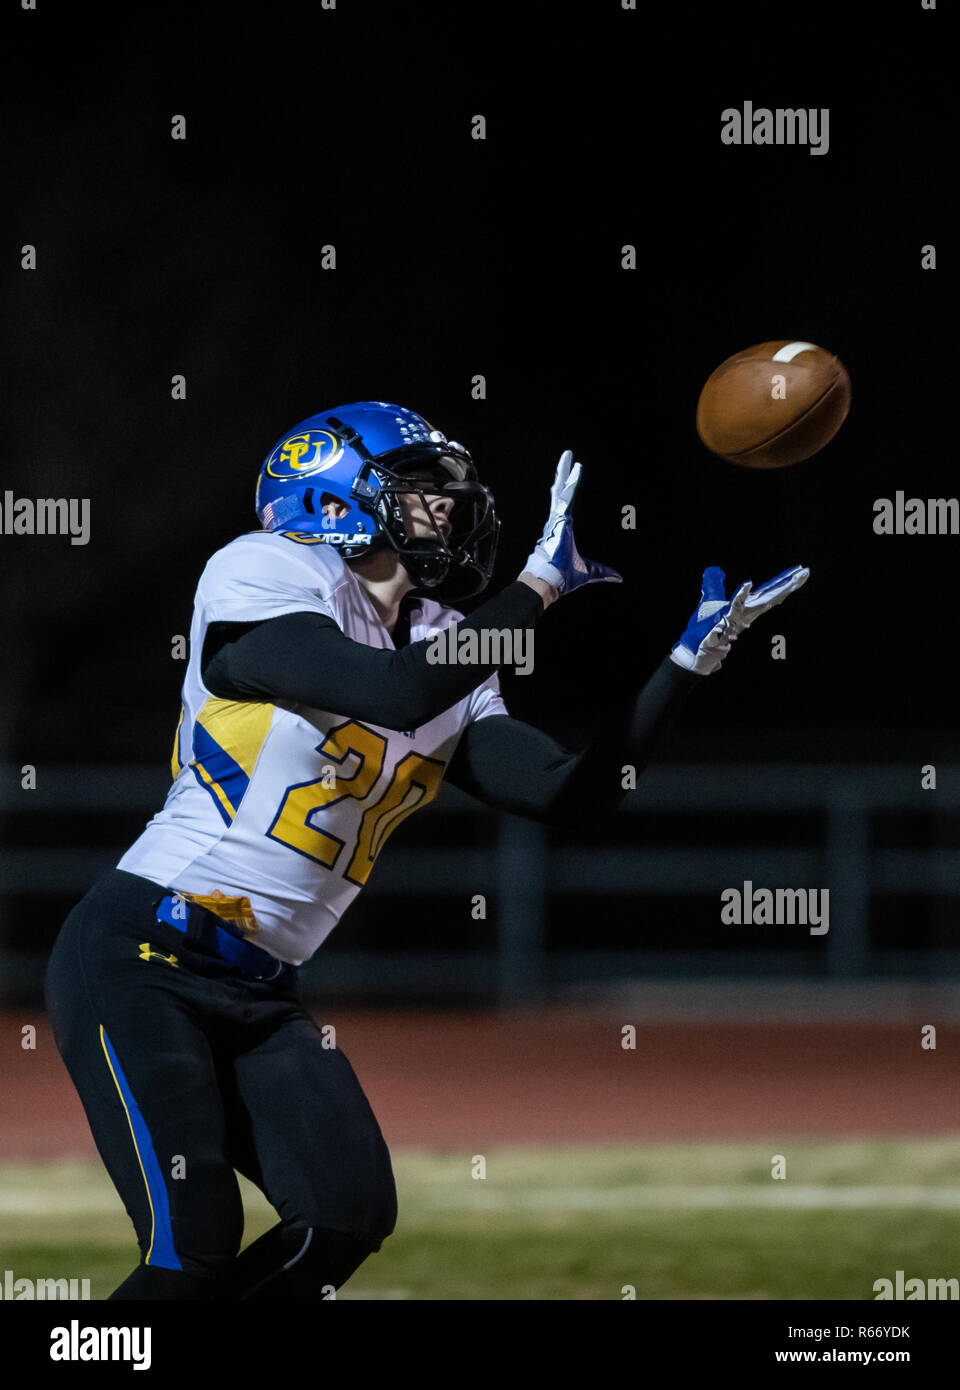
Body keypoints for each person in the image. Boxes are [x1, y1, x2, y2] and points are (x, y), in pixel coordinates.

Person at [44, 400, 808, 1299]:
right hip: (144, 950)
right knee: (194, 1247)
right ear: (330, 504)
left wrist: (683, 669)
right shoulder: (260, 572)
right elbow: (393, 693)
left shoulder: (445, 639)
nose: (446, 508)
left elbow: (573, 792)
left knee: (345, 1212)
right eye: (418, 492)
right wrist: (540, 588)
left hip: (261, 986)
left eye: (447, 495)